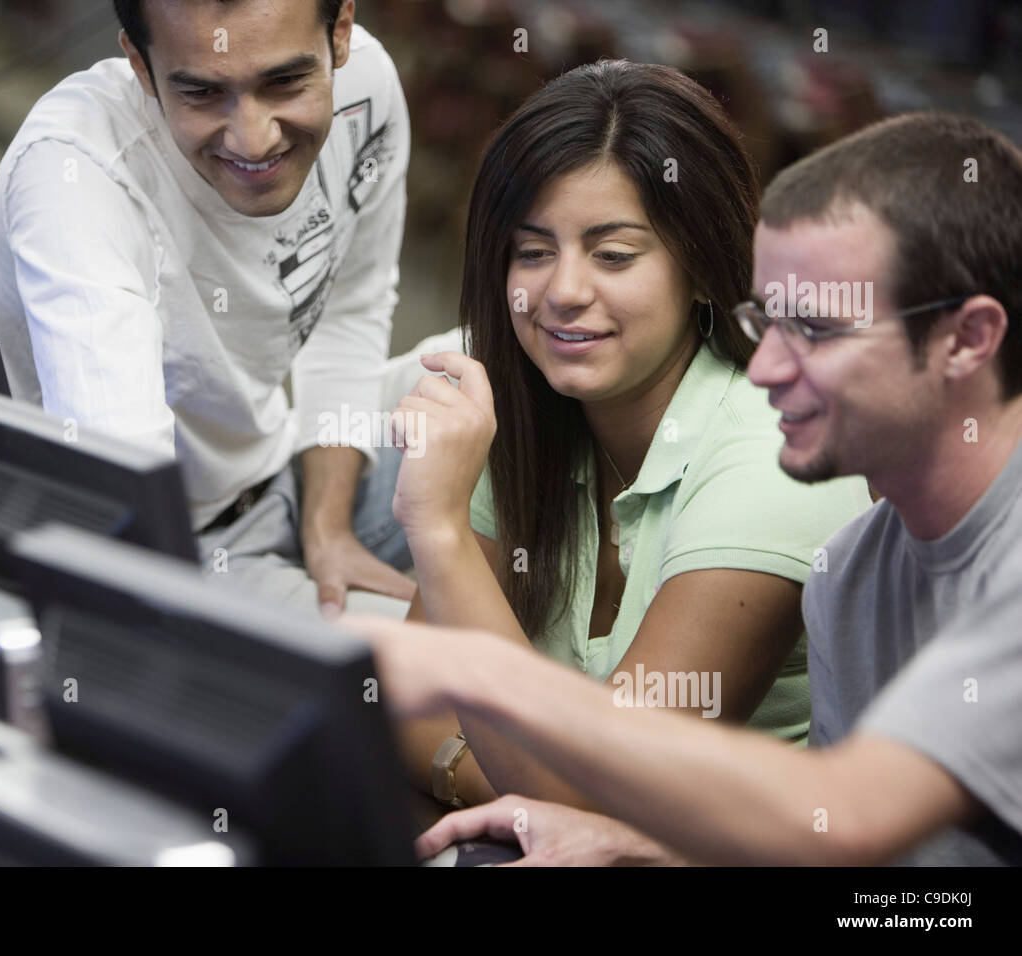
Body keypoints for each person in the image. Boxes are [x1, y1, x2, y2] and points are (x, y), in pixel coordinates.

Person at [365, 111, 1022, 865]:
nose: (766, 367)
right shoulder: (855, 573)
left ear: (969, 340)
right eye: (767, 321)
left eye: (815, 329)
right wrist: (643, 843)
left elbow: (860, 827)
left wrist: (475, 669)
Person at [384, 61, 871, 815]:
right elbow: (411, 702)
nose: (564, 292)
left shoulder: (776, 455)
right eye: (533, 251)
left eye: (614, 255)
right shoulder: (511, 401)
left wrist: (441, 532)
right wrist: (495, 778)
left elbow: (600, 788)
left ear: (705, 270)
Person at [0, 0, 416, 618]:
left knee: (518, 381)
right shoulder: (74, 174)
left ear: (340, 31)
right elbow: (128, 494)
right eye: (203, 94)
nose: (255, 138)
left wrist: (329, 529)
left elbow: (351, 306)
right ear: (140, 64)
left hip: (287, 467)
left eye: (284, 83)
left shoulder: (365, 84)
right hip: (186, 553)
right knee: (445, 686)